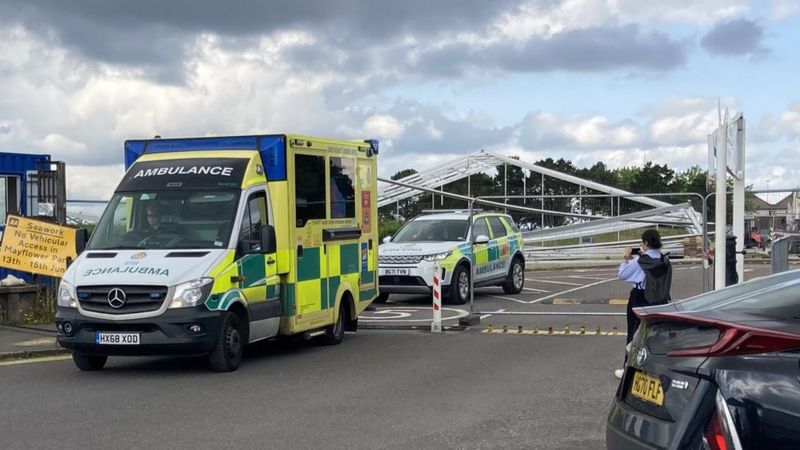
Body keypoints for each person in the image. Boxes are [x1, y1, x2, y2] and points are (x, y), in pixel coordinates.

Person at [614, 229, 672, 379]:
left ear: (645, 242)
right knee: (654, 334)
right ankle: (655, 368)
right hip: (659, 299)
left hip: (639, 297)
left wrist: (626, 257)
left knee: (634, 334)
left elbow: (622, 274)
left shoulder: (640, 261)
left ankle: (628, 369)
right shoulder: (664, 260)